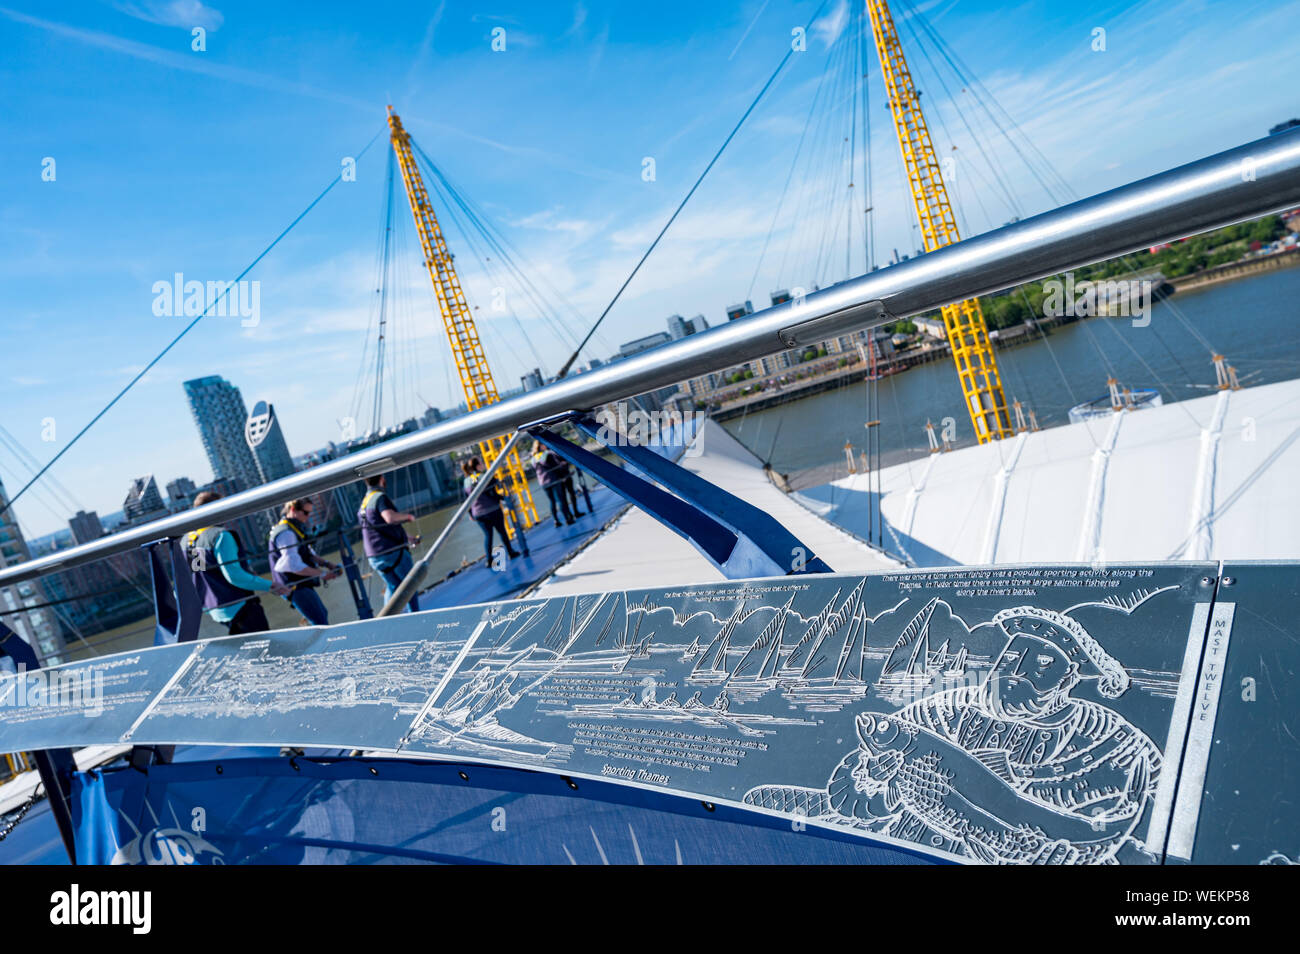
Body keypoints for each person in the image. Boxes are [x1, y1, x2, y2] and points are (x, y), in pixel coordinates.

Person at [182, 490, 289, 635]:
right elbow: (234, 576)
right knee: (266, 650)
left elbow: (202, 571)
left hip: (216, 610)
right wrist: (270, 585)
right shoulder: (220, 536)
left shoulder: (188, 540)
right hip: (239, 606)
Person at [267, 498, 341, 626]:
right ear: (293, 509)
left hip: (300, 584)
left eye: (310, 513)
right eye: (305, 513)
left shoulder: (294, 528)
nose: (307, 517)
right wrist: (322, 574)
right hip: (293, 586)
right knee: (319, 620)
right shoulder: (286, 533)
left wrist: (327, 564)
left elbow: (307, 552)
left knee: (321, 615)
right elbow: (292, 564)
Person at [357, 474, 421, 612]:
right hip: (392, 552)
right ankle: (416, 616)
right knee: (410, 585)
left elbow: (378, 526)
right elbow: (390, 518)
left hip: (374, 556)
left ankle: (388, 618)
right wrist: (408, 517)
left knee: (393, 587)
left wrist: (408, 538)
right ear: (381, 479)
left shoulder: (364, 502)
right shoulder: (379, 498)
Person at [461, 456, 518, 567]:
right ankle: (511, 553)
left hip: (478, 513)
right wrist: (504, 498)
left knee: (488, 536)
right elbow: (492, 493)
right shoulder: (486, 477)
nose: (483, 465)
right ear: (478, 466)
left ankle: (489, 560)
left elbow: (467, 500)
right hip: (492, 509)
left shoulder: (466, 481)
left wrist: (471, 514)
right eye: (481, 463)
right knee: (502, 531)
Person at [531, 445, 573, 528]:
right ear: (540, 446)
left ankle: (556, 520)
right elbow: (556, 466)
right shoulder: (547, 455)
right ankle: (567, 519)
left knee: (552, 502)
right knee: (560, 500)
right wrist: (562, 476)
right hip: (553, 480)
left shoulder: (534, 458)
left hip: (543, 483)